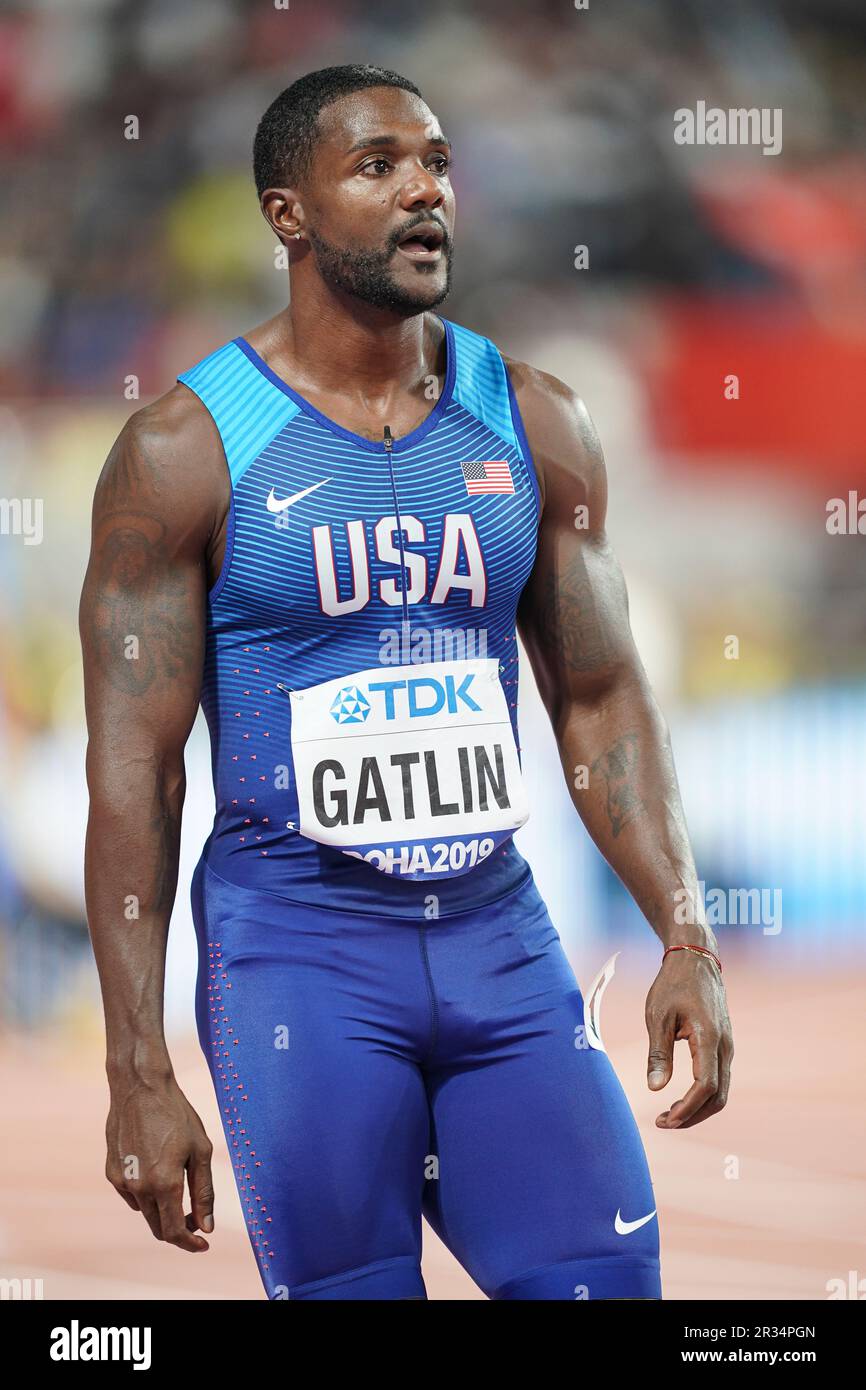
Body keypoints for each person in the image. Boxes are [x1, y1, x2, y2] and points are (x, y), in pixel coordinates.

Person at [79, 64, 733, 1301]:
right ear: (288, 214)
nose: (424, 189)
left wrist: (685, 932)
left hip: (499, 938)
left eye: (435, 161)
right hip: (298, 959)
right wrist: (136, 1066)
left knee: (603, 1282)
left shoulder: (535, 421)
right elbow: (136, 772)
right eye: (377, 166)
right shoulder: (180, 452)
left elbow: (597, 697)